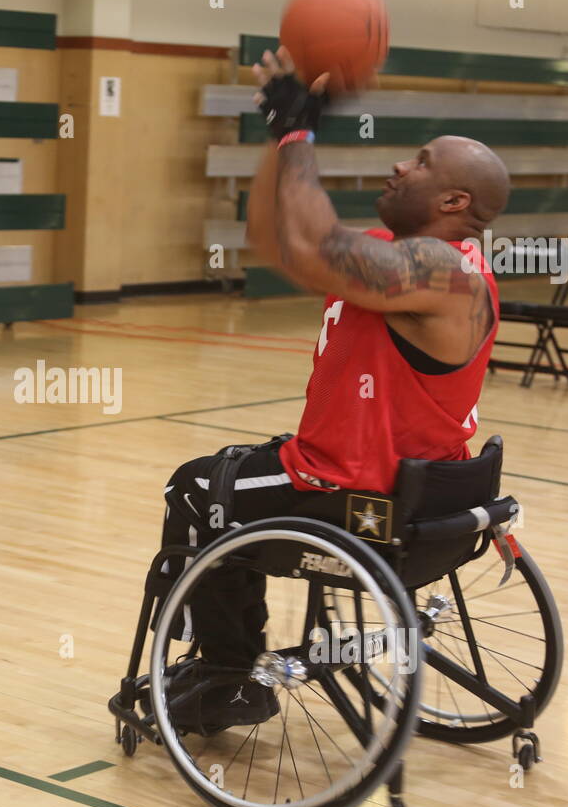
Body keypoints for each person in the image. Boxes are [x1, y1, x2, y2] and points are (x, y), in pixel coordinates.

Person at [148, 48, 511, 733]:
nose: (401, 165)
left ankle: (229, 674)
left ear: (455, 202)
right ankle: (223, 661)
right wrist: (279, 138)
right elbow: (280, 241)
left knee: (194, 491)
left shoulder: (440, 273)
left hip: (352, 496)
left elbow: (311, 243)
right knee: (234, 470)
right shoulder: (407, 260)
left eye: (423, 161)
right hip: (411, 489)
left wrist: (298, 133)